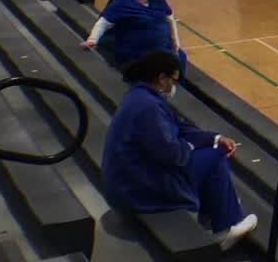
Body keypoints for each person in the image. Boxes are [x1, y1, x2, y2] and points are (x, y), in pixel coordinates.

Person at [102, 51, 257, 252]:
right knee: (216, 157)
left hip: (128, 179)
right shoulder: (149, 107)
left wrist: (214, 138)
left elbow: (178, 127)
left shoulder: (140, 96)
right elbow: (174, 154)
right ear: (161, 78)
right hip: (138, 187)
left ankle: (217, 214)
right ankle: (226, 225)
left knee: (212, 151)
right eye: (173, 81)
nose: (174, 86)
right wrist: (198, 147)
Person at [82, 0, 186, 74]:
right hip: (139, 51)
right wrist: (92, 39)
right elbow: (103, 22)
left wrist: (175, 40)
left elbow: (169, 17)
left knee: (181, 57)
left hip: (161, 48)